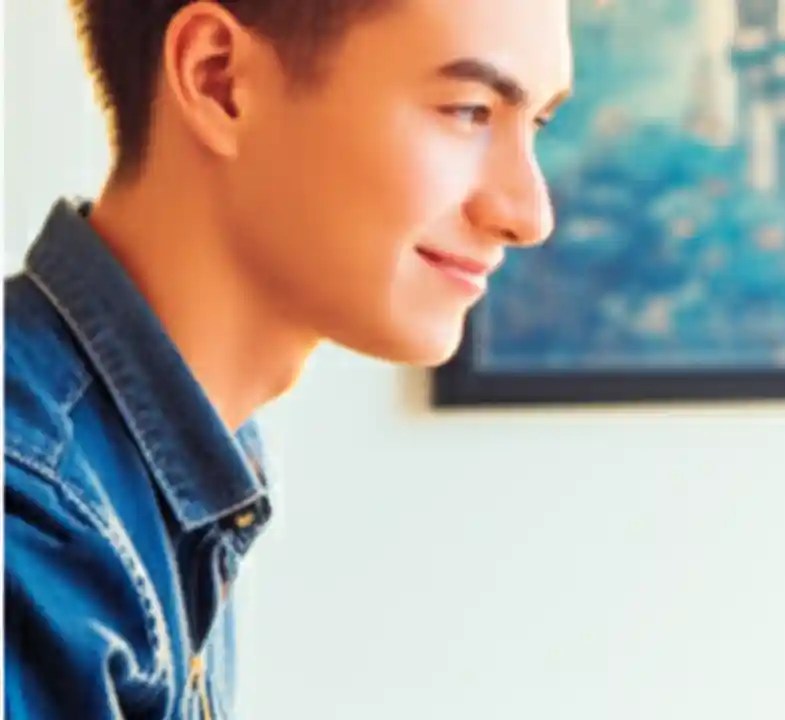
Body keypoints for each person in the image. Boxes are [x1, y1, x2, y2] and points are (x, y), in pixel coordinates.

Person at [4, 0, 572, 717]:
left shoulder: (177, 458)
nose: (529, 213)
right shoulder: (29, 524)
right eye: (468, 111)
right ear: (220, 81)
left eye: (539, 124)